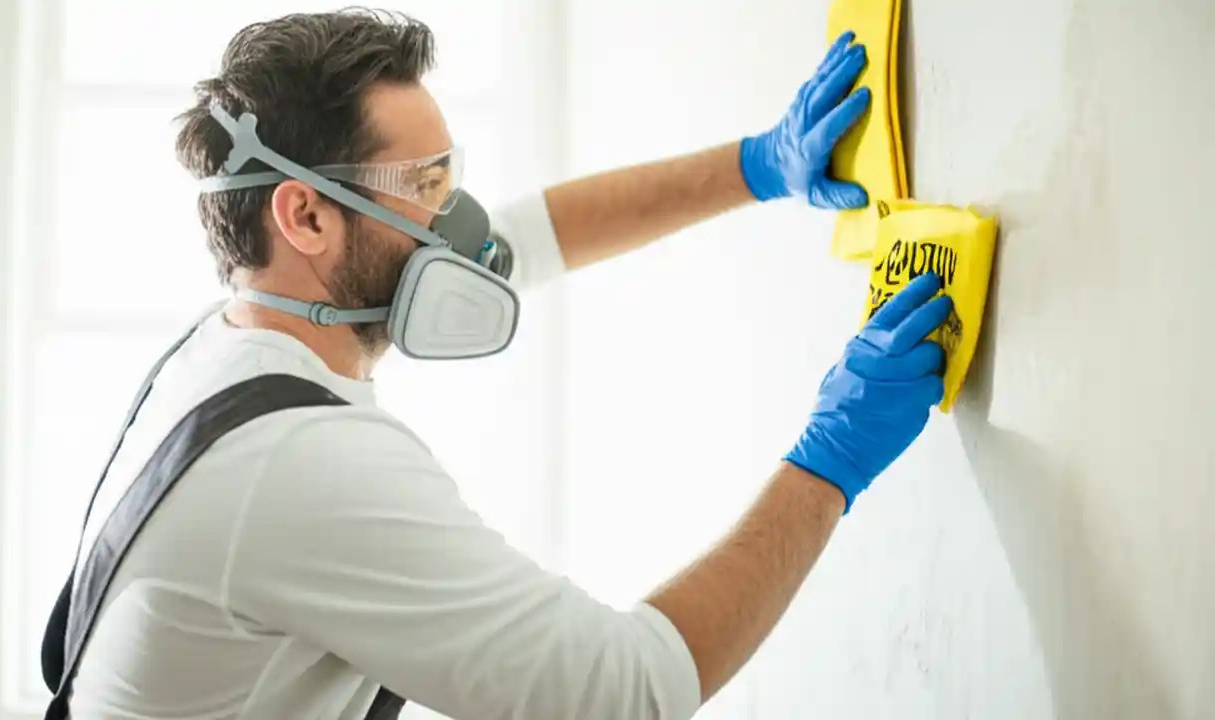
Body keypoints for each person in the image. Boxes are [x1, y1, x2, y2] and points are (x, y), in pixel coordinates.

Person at [57, 9, 950, 719]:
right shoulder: (294, 462)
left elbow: (522, 238)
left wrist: (761, 165)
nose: (458, 220)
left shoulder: (222, 349)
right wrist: (830, 462)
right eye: (425, 186)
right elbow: (621, 695)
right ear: (308, 217)